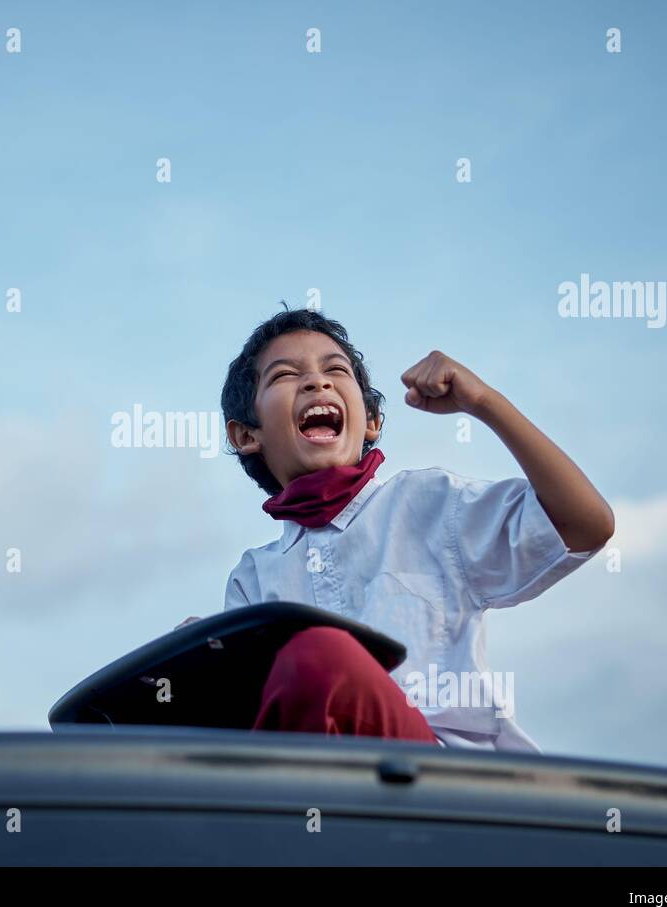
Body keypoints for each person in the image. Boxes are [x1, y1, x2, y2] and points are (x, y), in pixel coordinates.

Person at [178, 306, 614, 752]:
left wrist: (483, 402)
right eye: (285, 375)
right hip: (321, 793)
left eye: (335, 370)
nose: (317, 382)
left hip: (437, 780)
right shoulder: (253, 578)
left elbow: (584, 525)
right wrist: (207, 662)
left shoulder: (429, 505)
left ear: (371, 421)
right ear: (246, 435)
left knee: (318, 655)